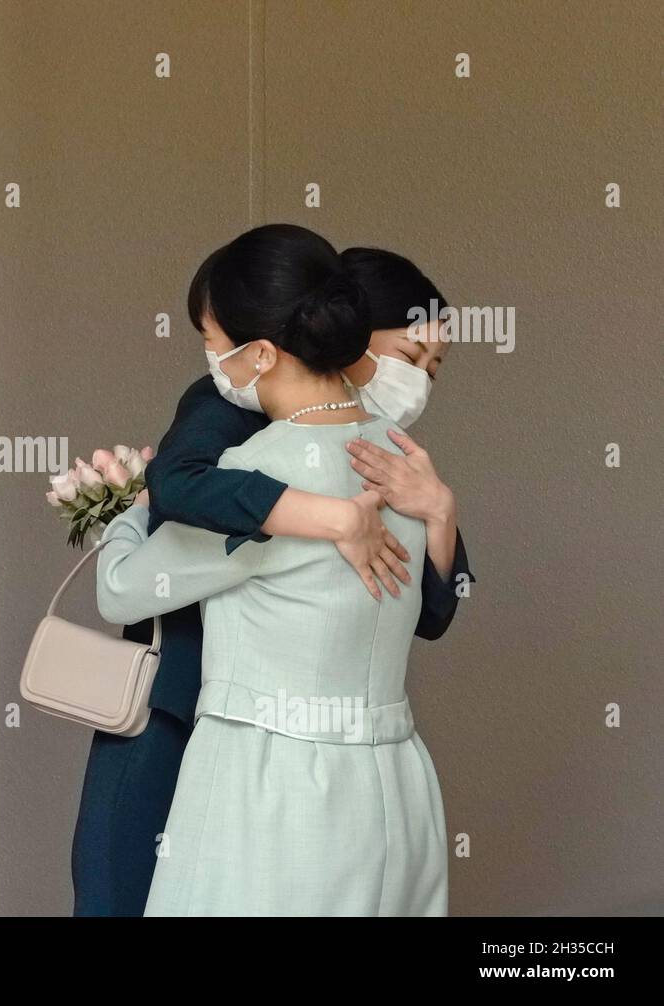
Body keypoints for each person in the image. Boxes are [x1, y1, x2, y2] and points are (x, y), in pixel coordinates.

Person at [71, 232, 472, 916]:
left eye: (211, 339)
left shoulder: (257, 475)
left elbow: (122, 585)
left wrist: (128, 512)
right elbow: (430, 609)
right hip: (397, 784)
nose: (209, 359)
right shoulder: (406, 470)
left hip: (269, 785)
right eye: (414, 355)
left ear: (260, 351)